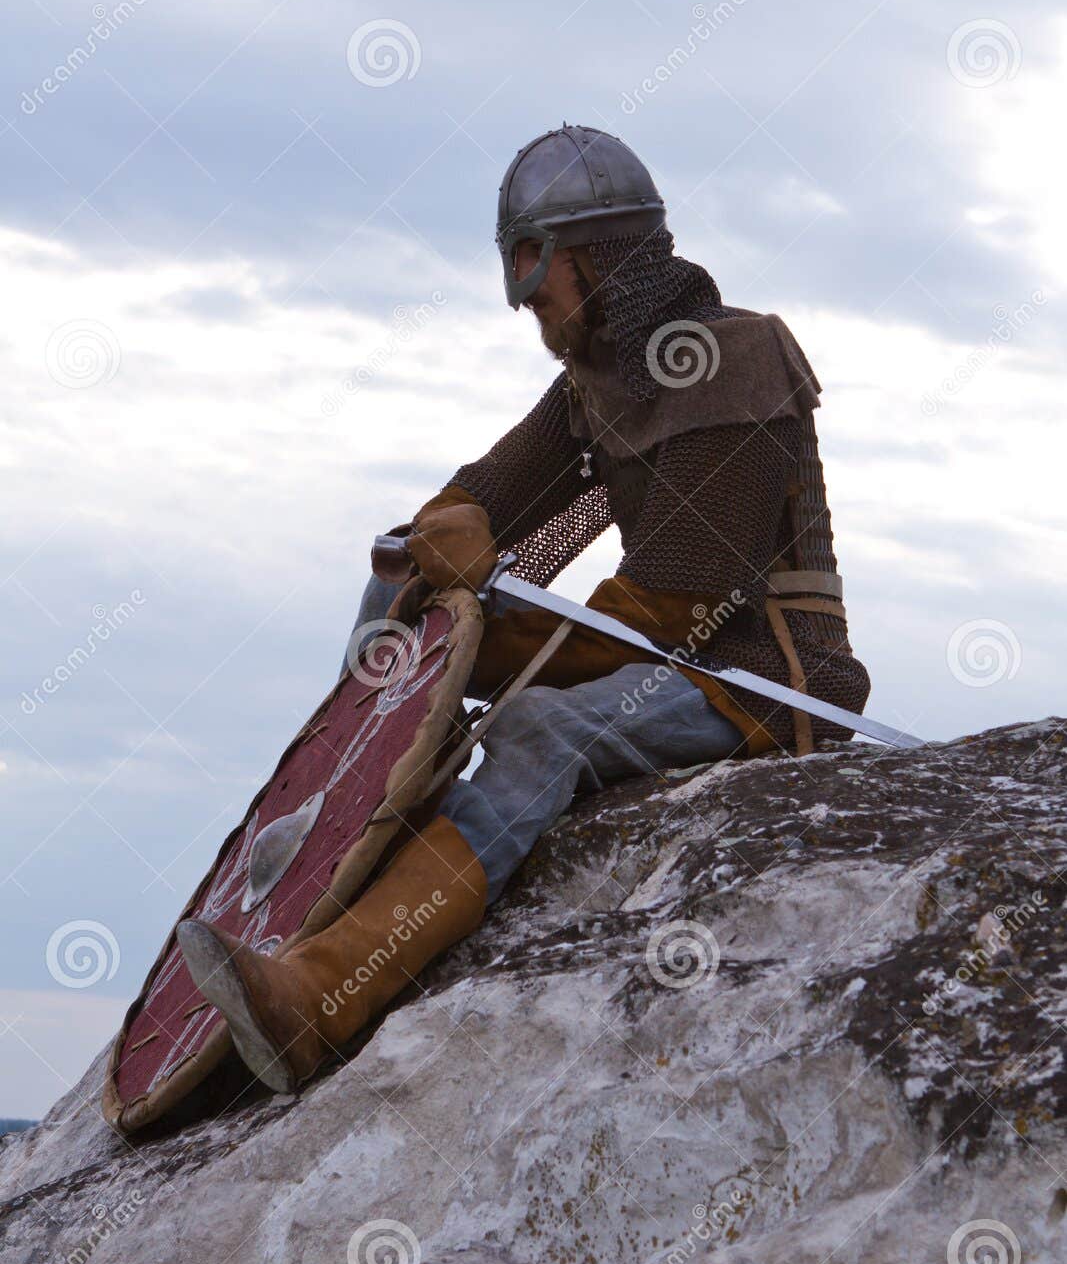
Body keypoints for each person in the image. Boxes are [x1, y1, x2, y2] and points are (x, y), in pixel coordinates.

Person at [178, 124, 871, 1094]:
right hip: (667, 655)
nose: (527, 304)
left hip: (757, 675)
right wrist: (430, 551)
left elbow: (681, 601)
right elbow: (478, 500)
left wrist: (493, 647)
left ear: (595, 255)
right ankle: (352, 806)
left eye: (534, 274)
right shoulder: (592, 382)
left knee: (541, 726)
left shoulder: (733, 357)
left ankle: (321, 997)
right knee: (403, 592)